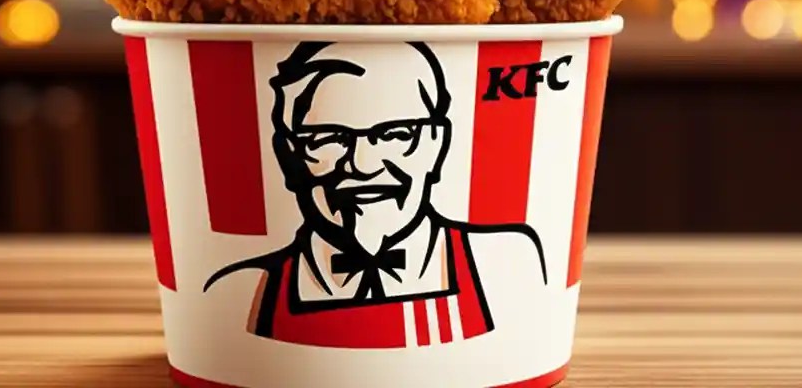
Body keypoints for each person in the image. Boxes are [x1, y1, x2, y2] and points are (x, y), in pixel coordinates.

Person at [204, 41, 546, 349]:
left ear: (436, 145)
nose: (364, 166)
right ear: (289, 156)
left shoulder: (503, 261)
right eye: (329, 138)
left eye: (396, 134)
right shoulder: (246, 290)